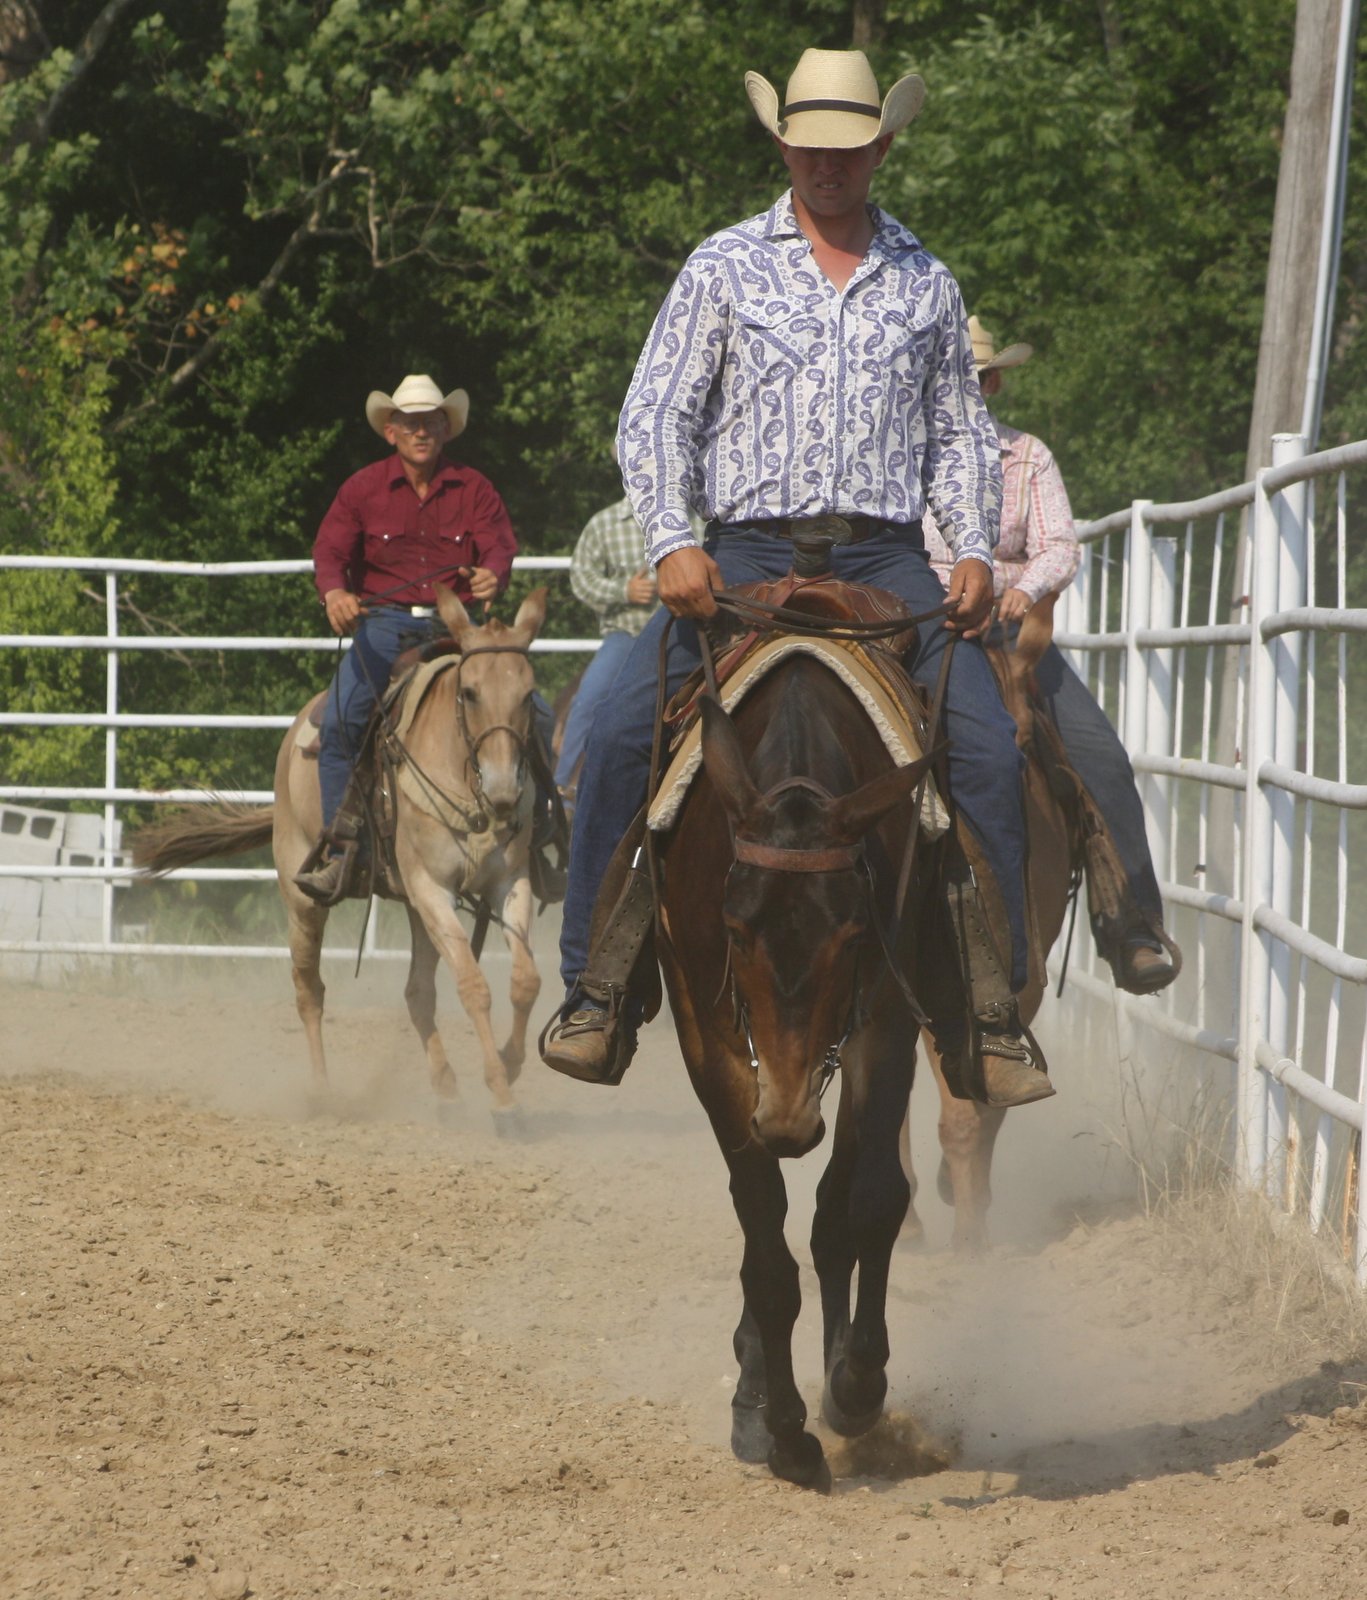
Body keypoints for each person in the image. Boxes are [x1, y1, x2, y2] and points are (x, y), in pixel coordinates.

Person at [540, 48, 1050, 1108]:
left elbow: (959, 436)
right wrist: (674, 539)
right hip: (741, 555)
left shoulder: (925, 280)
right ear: (784, 145)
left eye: (847, 147)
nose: (827, 163)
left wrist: (962, 551)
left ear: (880, 146)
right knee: (623, 723)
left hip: (880, 554)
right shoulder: (722, 266)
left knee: (987, 754)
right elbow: (654, 416)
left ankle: (988, 1012)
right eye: (809, 146)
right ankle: (595, 988)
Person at [923, 319, 1179, 993]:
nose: (963, 390)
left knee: (1098, 755)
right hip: (914, 624)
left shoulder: (1025, 456)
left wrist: (1022, 586)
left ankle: (1130, 923)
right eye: (950, 378)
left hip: (1008, 631)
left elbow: (1058, 545)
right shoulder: (897, 456)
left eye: (974, 378)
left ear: (994, 381)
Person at [295, 372, 531, 906]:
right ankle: (340, 849)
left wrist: (494, 574)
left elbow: (500, 549)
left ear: (446, 429)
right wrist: (334, 594)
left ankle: (537, 839)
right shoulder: (362, 489)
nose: (421, 431)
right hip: (382, 623)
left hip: (460, 628)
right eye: (410, 423)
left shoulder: (475, 489)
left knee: (524, 711)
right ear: (391, 432)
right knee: (341, 721)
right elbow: (330, 553)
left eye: (431, 422)